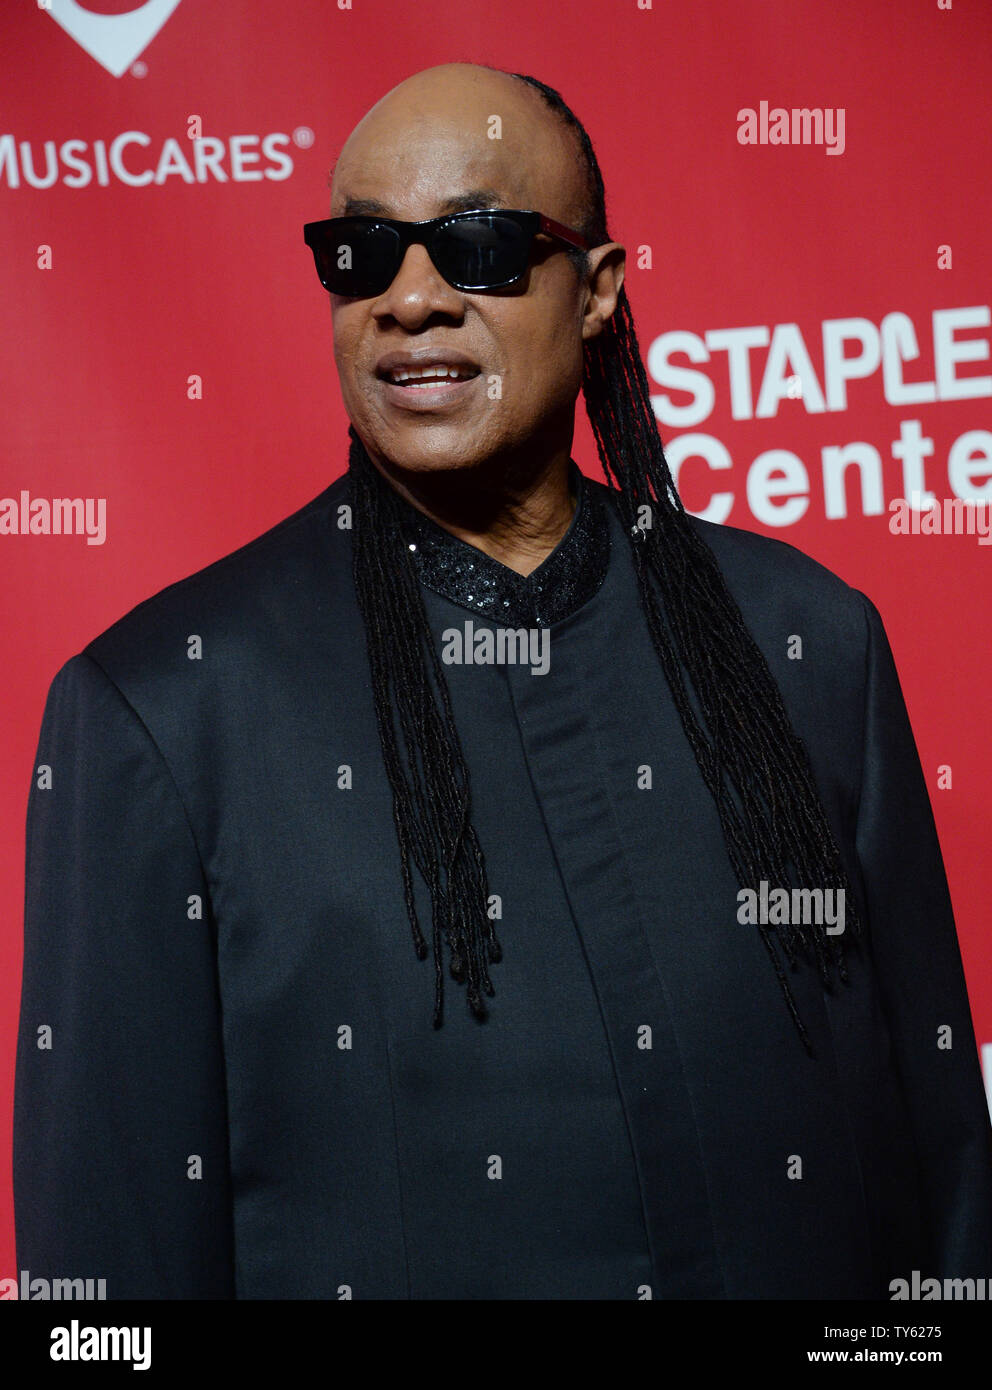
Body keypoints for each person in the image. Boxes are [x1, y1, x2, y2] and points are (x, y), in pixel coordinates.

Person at [14, 61, 992, 1300]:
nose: (407, 300)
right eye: (361, 253)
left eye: (473, 245)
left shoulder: (805, 641)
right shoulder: (163, 710)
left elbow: (940, 1184)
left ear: (596, 292)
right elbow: (114, 1270)